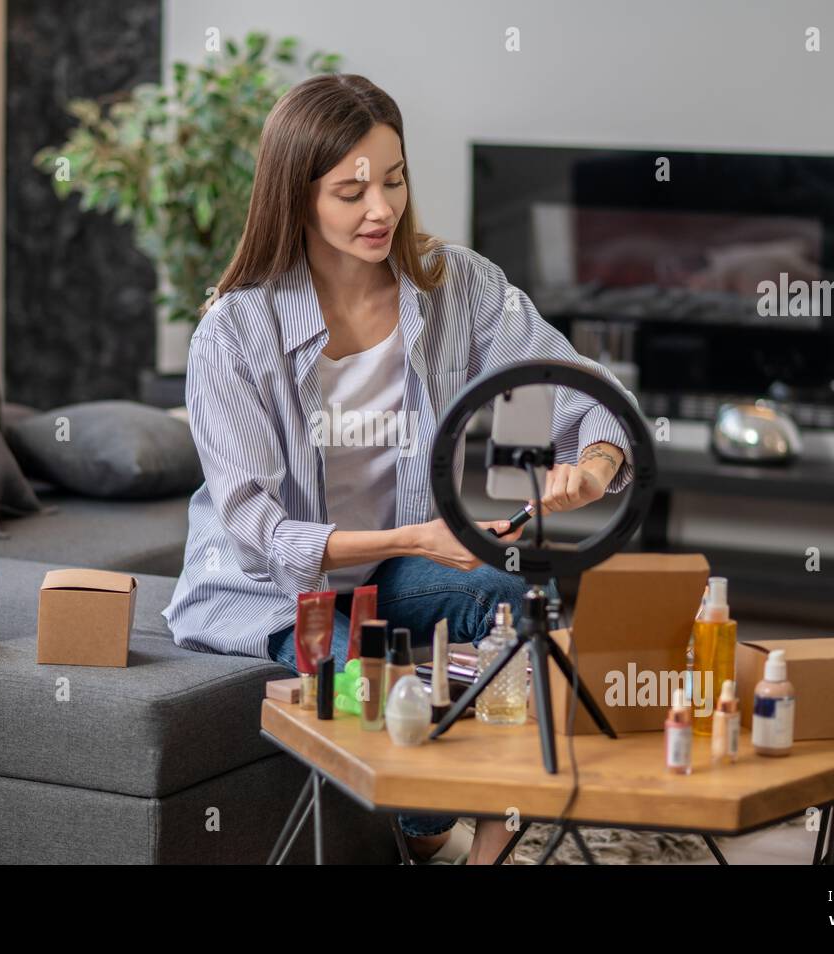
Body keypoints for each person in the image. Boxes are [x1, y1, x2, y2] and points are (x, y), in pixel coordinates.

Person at [162, 73, 637, 865]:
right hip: (271, 591)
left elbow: (582, 388)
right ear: (297, 197)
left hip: (395, 569)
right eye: (350, 192)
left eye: (393, 179)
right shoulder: (234, 334)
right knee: (373, 687)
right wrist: (424, 535)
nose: (380, 209)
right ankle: (429, 835)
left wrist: (591, 463)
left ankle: (493, 843)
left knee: (521, 594)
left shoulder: (455, 284)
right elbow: (256, 533)